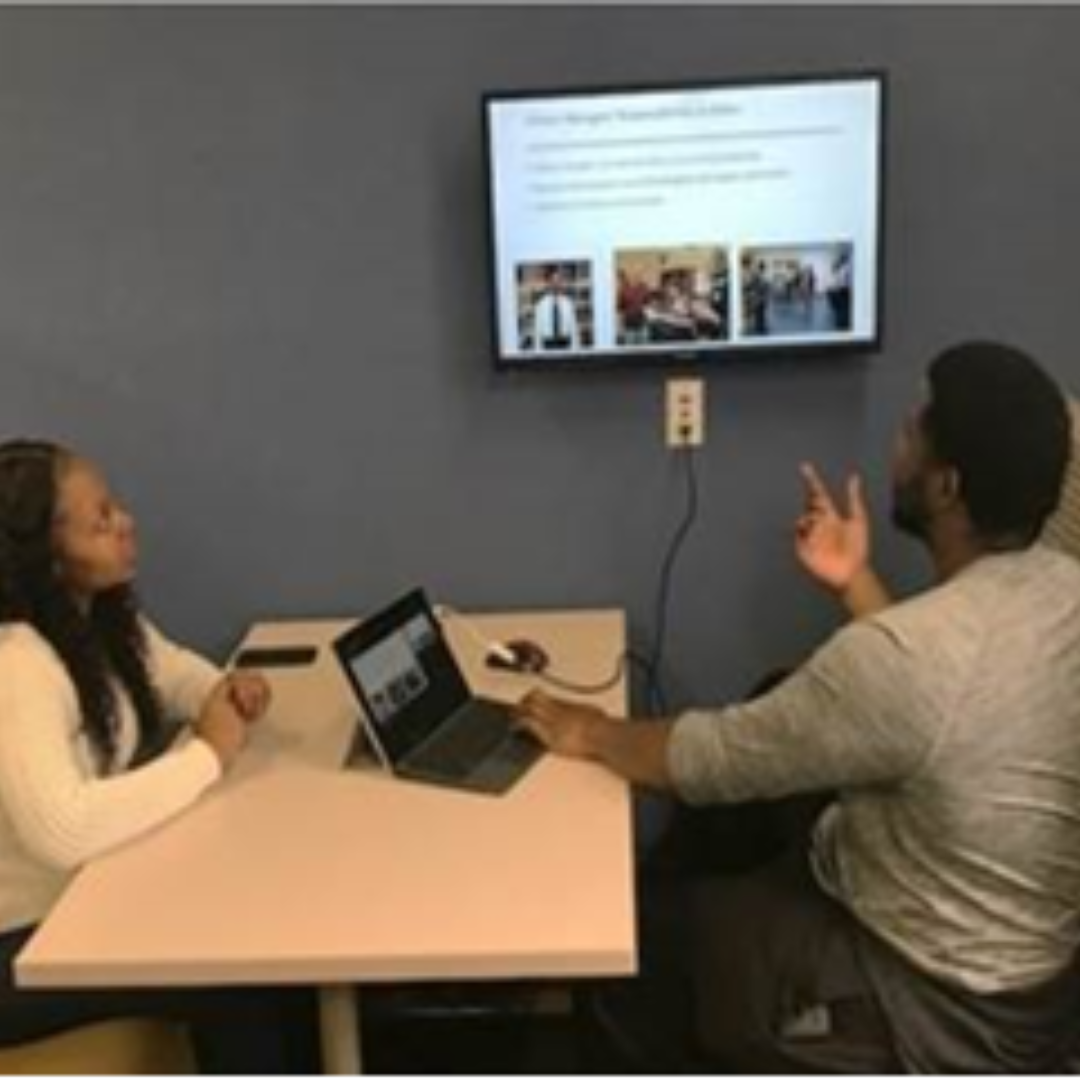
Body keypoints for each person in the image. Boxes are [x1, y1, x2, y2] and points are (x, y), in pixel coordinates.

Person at [515, 342, 1080, 1072]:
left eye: (918, 423)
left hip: (933, 1002)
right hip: (1022, 967)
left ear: (948, 486)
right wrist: (854, 582)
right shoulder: (1061, 588)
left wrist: (590, 731)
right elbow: (939, 704)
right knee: (772, 698)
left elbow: (708, 761)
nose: (899, 433)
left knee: (645, 944)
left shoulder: (910, 661)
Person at [0, 440, 319, 1073]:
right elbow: (65, 829)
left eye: (115, 507)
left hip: (90, 896)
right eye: (102, 520)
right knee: (241, 979)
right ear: (48, 558)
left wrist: (221, 692)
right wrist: (208, 756)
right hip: (23, 947)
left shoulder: (92, 617)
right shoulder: (18, 665)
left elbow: (168, 672)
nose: (127, 523)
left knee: (280, 957)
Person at [531, 265, 580, 351]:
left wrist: (575, 349)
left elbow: (574, 329)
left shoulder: (568, 303)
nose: (556, 284)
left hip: (565, 345)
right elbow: (537, 332)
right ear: (548, 283)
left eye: (558, 281)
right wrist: (538, 352)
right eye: (553, 281)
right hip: (548, 345)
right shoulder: (540, 305)